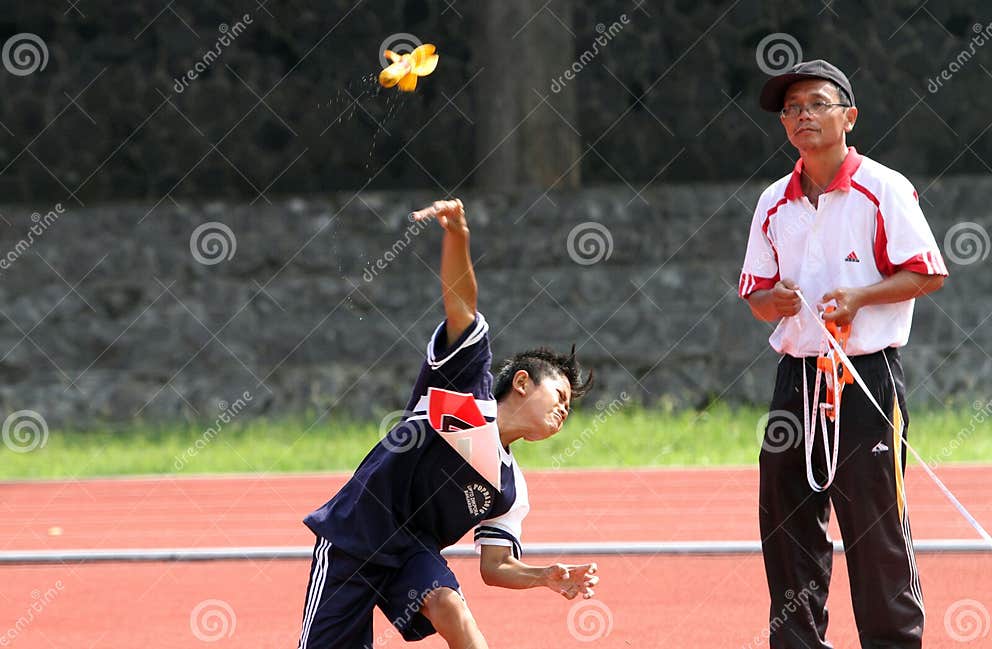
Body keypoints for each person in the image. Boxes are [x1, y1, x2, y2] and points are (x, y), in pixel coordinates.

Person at [297, 198, 599, 649]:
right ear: (521, 382)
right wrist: (457, 234)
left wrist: (546, 576)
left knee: (449, 606)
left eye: (568, 410)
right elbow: (461, 304)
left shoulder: (509, 488)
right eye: (559, 396)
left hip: (411, 551)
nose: (562, 412)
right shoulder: (465, 398)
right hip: (356, 532)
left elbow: (494, 566)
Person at [739, 59, 948, 648]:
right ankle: (799, 642)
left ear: (848, 116)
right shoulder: (773, 201)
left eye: (816, 104)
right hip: (796, 379)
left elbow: (927, 273)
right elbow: (755, 293)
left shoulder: (884, 187)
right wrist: (773, 301)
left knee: (875, 523)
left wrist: (860, 297)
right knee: (784, 518)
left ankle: (893, 641)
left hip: (866, 377)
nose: (802, 115)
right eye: (791, 108)